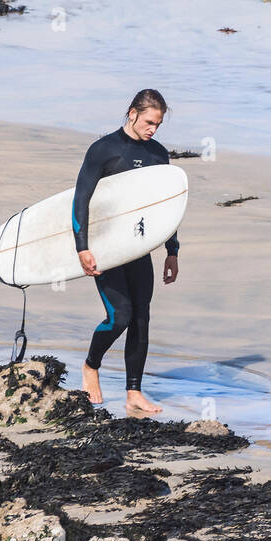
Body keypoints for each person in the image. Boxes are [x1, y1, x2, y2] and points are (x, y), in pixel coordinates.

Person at [73, 88, 179, 416]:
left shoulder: (159, 155)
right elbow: (81, 200)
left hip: (139, 247)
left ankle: (134, 391)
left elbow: (167, 208)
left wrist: (172, 251)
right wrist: (83, 247)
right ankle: (91, 367)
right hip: (106, 247)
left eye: (158, 125)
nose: (153, 129)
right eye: (149, 122)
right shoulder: (104, 150)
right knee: (120, 316)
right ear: (132, 113)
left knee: (142, 318)